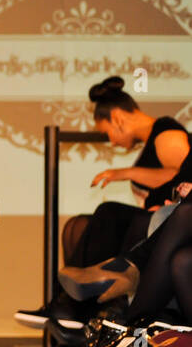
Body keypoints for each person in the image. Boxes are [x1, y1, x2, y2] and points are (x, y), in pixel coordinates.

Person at [16, 76, 189, 330]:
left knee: (108, 213)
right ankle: (70, 306)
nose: (112, 141)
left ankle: (74, 307)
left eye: (107, 132)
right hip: (159, 216)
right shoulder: (152, 140)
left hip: (169, 216)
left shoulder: (167, 134)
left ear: (117, 118)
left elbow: (180, 175)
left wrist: (124, 174)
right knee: (79, 225)